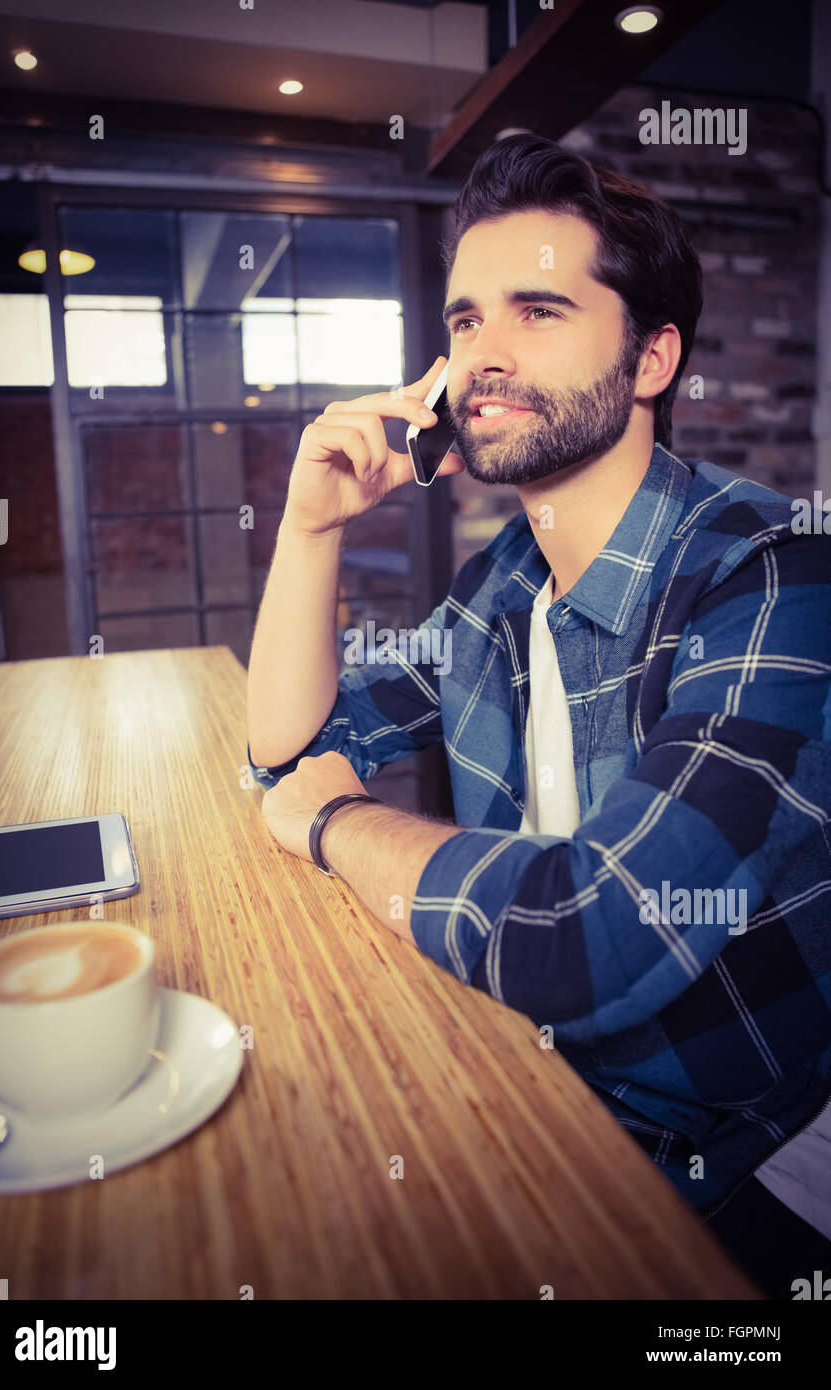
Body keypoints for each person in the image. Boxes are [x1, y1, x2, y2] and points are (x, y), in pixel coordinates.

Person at [246, 134, 831, 1299]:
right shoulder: (502, 585)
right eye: (464, 322)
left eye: (538, 310)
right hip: (542, 1081)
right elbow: (290, 748)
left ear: (652, 357)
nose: (483, 357)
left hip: (745, 1162)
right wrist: (309, 528)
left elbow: (590, 937)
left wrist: (340, 826)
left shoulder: (772, 573)